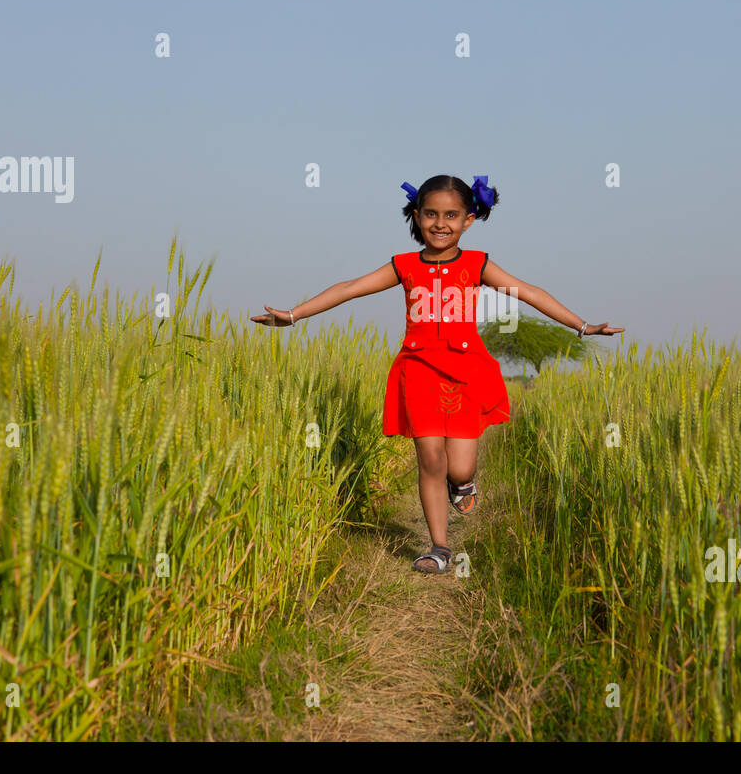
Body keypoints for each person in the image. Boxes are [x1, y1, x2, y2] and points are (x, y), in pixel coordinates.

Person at [252, 174, 623, 574]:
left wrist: (581, 326)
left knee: (458, 466)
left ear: (469, 219)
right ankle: (439, 548)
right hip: (419, 369)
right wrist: (293, 315)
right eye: (431, 214)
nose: (440, 223)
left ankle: (462, 482)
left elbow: (528, 291)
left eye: (451, 215)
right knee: (430, 458)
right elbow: (350, 288)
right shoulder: (403, 265)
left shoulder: (477, 263)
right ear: (416, 215)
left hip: (466, 373)